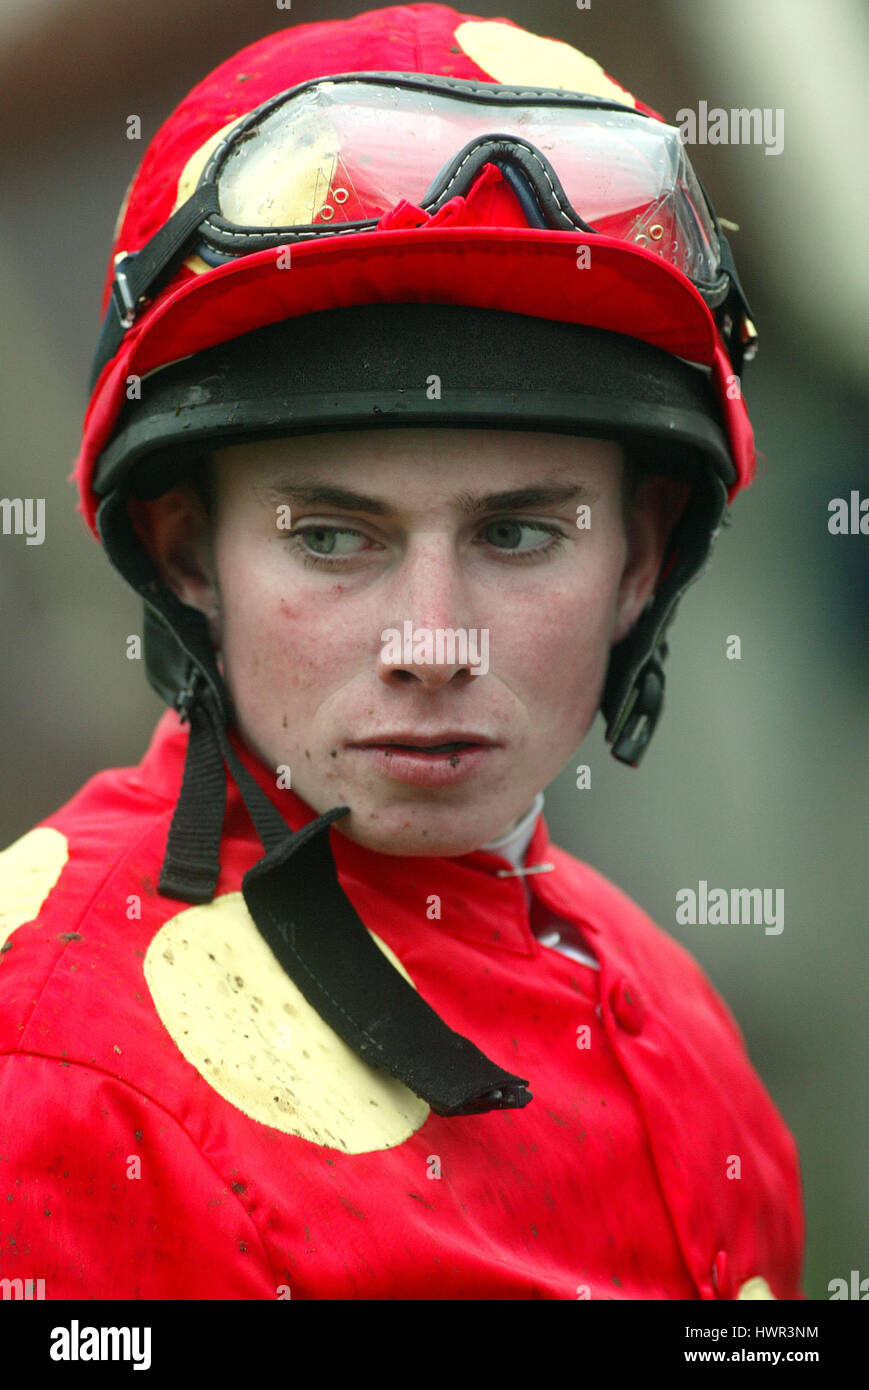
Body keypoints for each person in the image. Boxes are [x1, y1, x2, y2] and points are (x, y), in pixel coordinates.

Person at [0, 3, 804, 1300]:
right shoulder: (49, 1066)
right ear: (187, 550)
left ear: (642, 557)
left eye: (519, 532)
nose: (432, 640)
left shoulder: (673, 1007)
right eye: (331, 536)